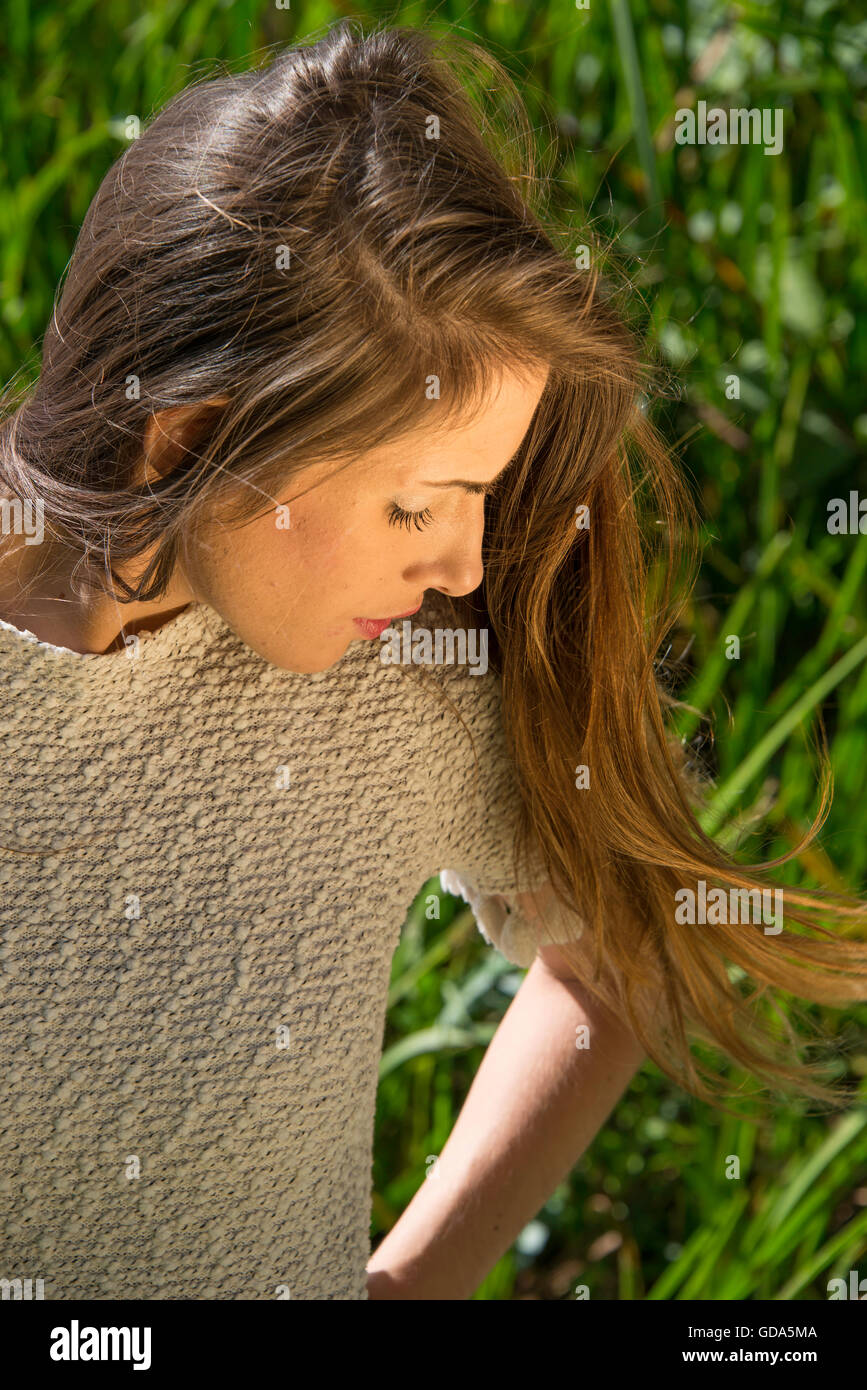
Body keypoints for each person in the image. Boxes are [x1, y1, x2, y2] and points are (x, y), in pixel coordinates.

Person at [0, 20, 864, 1301]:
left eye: (482, 496)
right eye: (415, 505)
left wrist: (416, 1282)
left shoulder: (401, 691)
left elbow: (626, 948)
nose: (465, 566)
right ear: (190, 440)